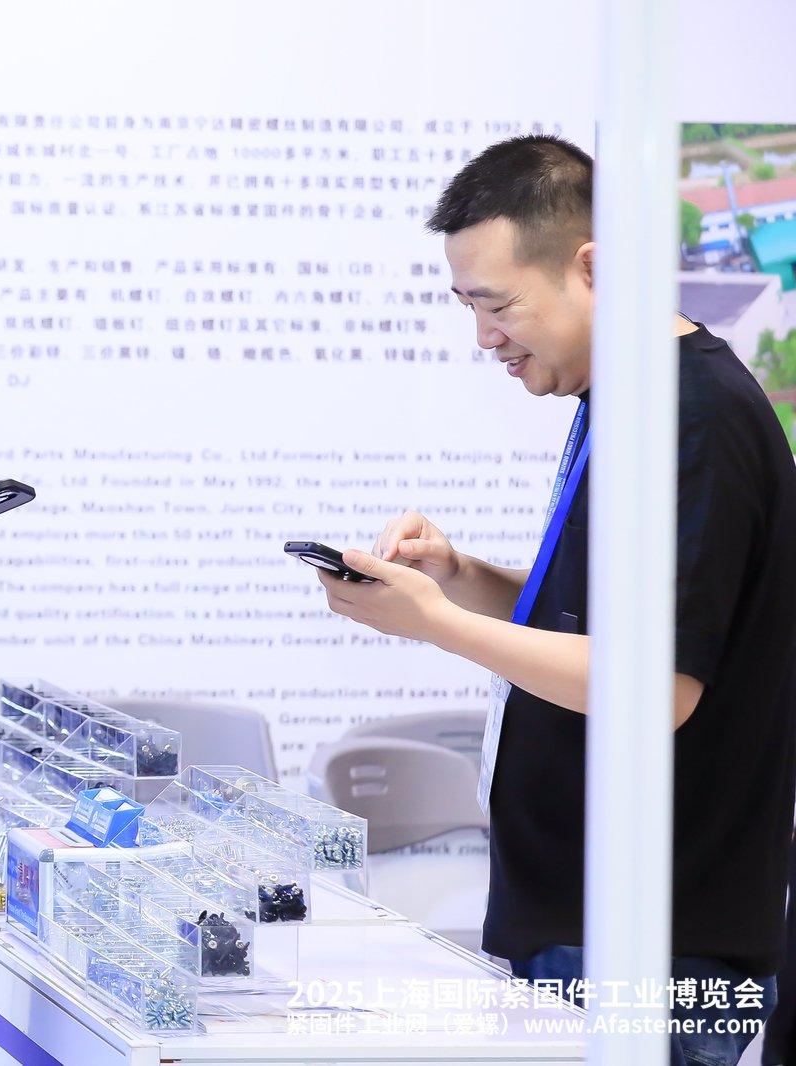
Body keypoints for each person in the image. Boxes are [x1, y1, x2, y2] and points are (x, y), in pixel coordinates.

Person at [314, 136, 796, 1066]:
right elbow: (598, 631)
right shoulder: (628, 400)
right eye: (468, 307)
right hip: (594, 927)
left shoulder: (693, 417)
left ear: (592, 268)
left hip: (652, 945)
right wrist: (461, 578)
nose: (485, 337)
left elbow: (655, 685)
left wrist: (439, 624)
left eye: (499, 306)